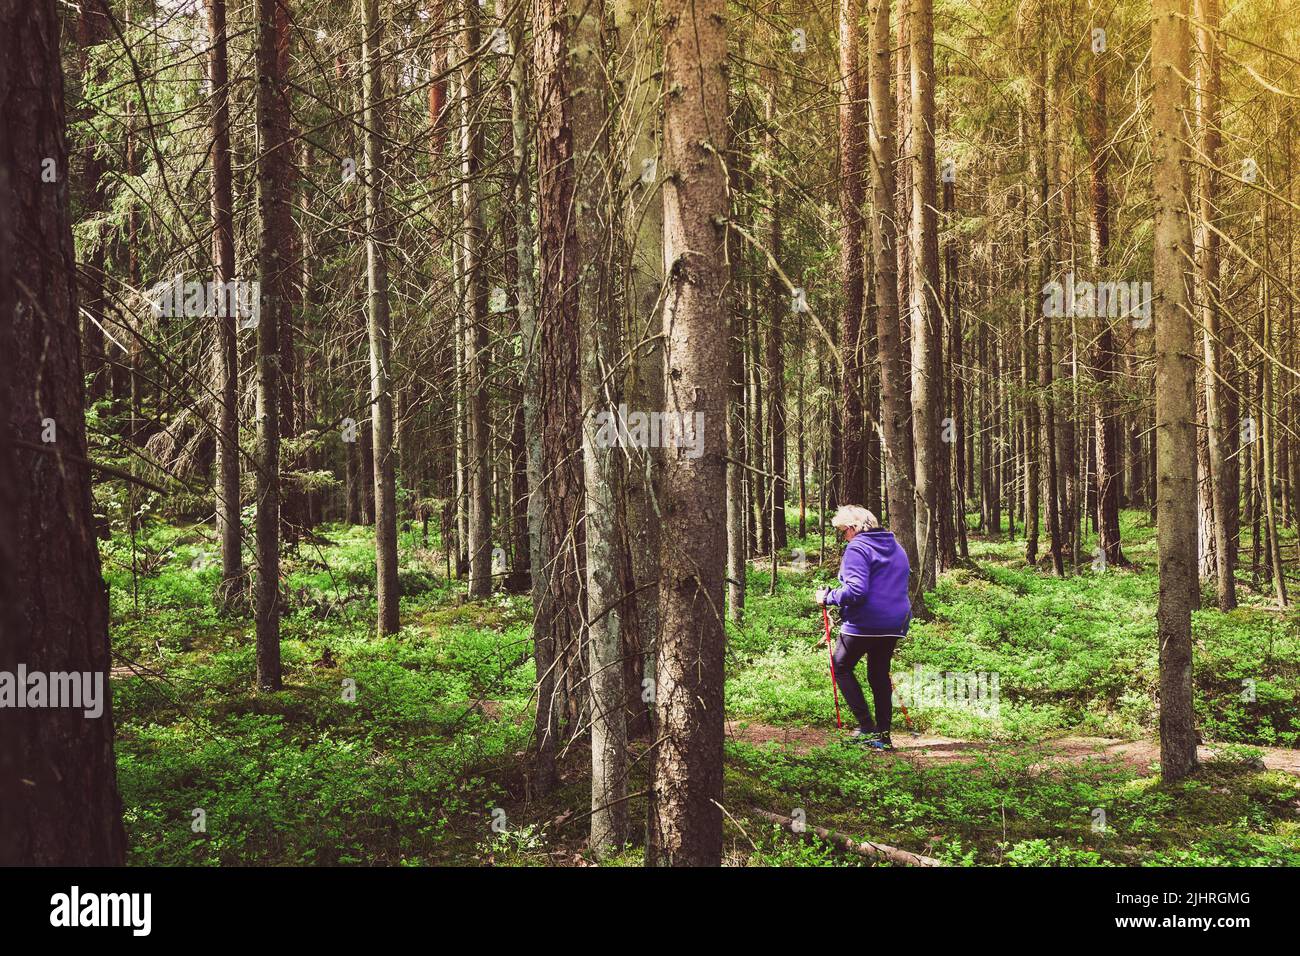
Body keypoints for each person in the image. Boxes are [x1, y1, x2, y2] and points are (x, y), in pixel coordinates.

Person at [815, 505, 911, 750]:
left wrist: (828, 597)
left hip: (865, 621)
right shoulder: (896, 547)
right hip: (894, 622)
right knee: (878, 674)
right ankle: (884, 737)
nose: (844, 536)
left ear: (855, 528)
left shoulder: (857, 547)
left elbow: (856, 591)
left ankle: (866, 726)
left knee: (840, 666)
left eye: (844, 531)